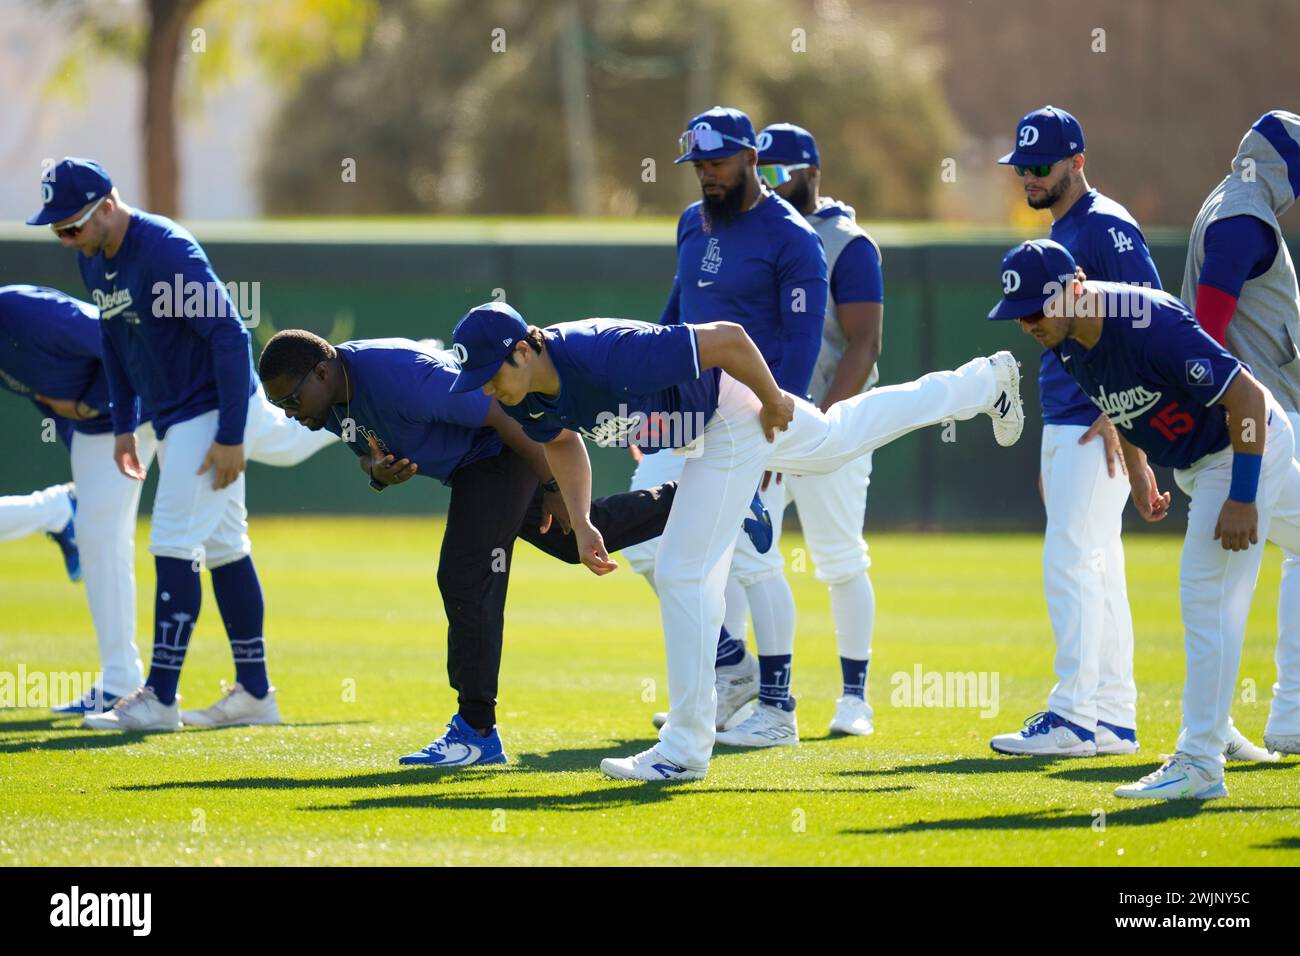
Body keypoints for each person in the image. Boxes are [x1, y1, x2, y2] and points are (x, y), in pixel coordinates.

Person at [448, 304, 1023, 781]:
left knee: (681, 572)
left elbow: (728, 339)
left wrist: (772, 398)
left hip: (731, 416)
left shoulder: (605, 349)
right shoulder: (529, 395)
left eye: (493, 374)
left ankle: (684, 750)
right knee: (840, 437)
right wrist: (583, 520)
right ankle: (983, 381)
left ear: (523, 349)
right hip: (701, 435)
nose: (491, 390)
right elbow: (565, 443)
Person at [257, 322, 689, 766]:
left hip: (500, 450)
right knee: (577, 538)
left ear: (324, 373)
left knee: (465, 575)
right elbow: (368, 451)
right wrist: (377, 473)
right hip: (475, 464)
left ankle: (476, 730)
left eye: (292, 399)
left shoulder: (397, 375)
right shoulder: (327, 403)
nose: (290, 412)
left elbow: (501, 411)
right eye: (278, 405)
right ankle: (699, 497)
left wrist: (553, 485)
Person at [989, 239, 1300, 799]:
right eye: (1018, 315)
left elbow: (1248, 399)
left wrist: (1243, 497)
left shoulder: (1147, 320)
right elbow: (1116, 399)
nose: (1027, 324)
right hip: (1205, 460)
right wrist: (1137, 470)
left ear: (1074, 287)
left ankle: (1200, 762)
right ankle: (1219, 729)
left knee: (1206, 598)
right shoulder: (1065, 339)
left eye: (1035, 310)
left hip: (1241, 448)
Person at [27, 158, 290, 731]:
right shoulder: (93, 259)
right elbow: (114, 341)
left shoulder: (165, 249)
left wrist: (229, 434)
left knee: (173, 539)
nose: (65, 238)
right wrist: (125, 425)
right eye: (58, 230)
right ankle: (255, 692)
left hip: (210, 408)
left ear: (107, 206)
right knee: (224, 547)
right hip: (172, 414)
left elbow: (228, 332)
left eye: (71, 225)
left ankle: (160, 699)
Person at [0, 283, 336, 714]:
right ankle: (120, 680)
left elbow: (118, 343)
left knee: (282, 444)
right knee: (100, 532)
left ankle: (352, 408)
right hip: (108, 421)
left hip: (177, 399)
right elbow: (49, 395)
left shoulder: (21, 311)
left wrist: (174, 418)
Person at [622, 106, 829, 749]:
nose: (705, 175)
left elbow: (802, 341)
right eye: (698, 165)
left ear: (750, 158)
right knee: (640, 541)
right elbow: (676, 314)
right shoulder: (692, 222)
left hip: (753, 417)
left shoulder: (792, 238)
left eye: (716, 163)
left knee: (756, 562)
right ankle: (728, 669)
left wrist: (781, 423)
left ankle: (778, 710)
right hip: (687, 411)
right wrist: (647, 399)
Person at [986, 106, 1152, 757]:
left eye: (1040, 165)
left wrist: (1119, 411)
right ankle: (1112, 717)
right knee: (1098, 567)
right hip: (1074, 419)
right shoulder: (1071, 225)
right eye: (1021, 166)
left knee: (1073, 565)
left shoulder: (1104, 225)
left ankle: (1074, 718)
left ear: (1077, 162)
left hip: (1092, 422)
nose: (1028, 176)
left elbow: (1147, 315)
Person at [1182, 109, 1300, 757]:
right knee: (1226, 581)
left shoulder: (1231, 203)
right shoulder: (1245, 215)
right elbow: (1205, 328)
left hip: (1251, 417)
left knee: (1228, 583)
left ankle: (1224, 723)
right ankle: (1285, 714)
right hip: (1262, 419)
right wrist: (1237, 423)